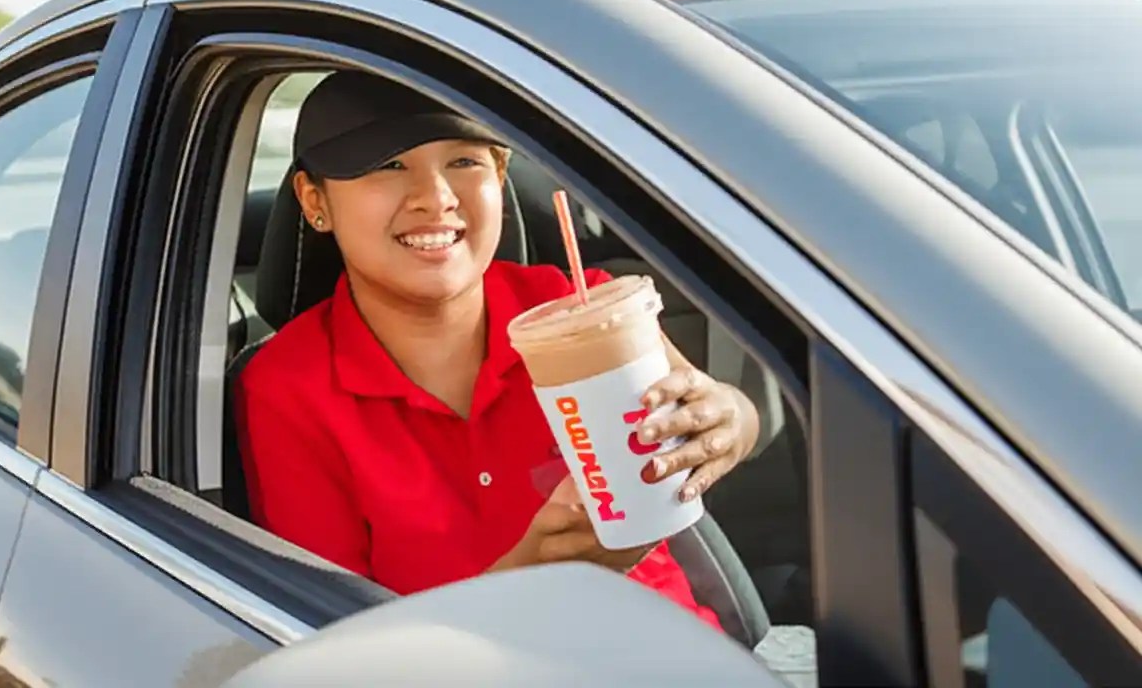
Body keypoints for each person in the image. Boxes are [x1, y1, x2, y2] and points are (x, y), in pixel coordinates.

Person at [235, 71, 761, 629]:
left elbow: (718, 418)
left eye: (465, 162)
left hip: (675, 651)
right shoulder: (287, 388)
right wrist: (529, 573)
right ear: (316, 202)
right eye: (388, 166)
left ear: (501, 174)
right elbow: (338, 644)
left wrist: (730, 419)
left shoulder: (579, 308)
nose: (435, 198)